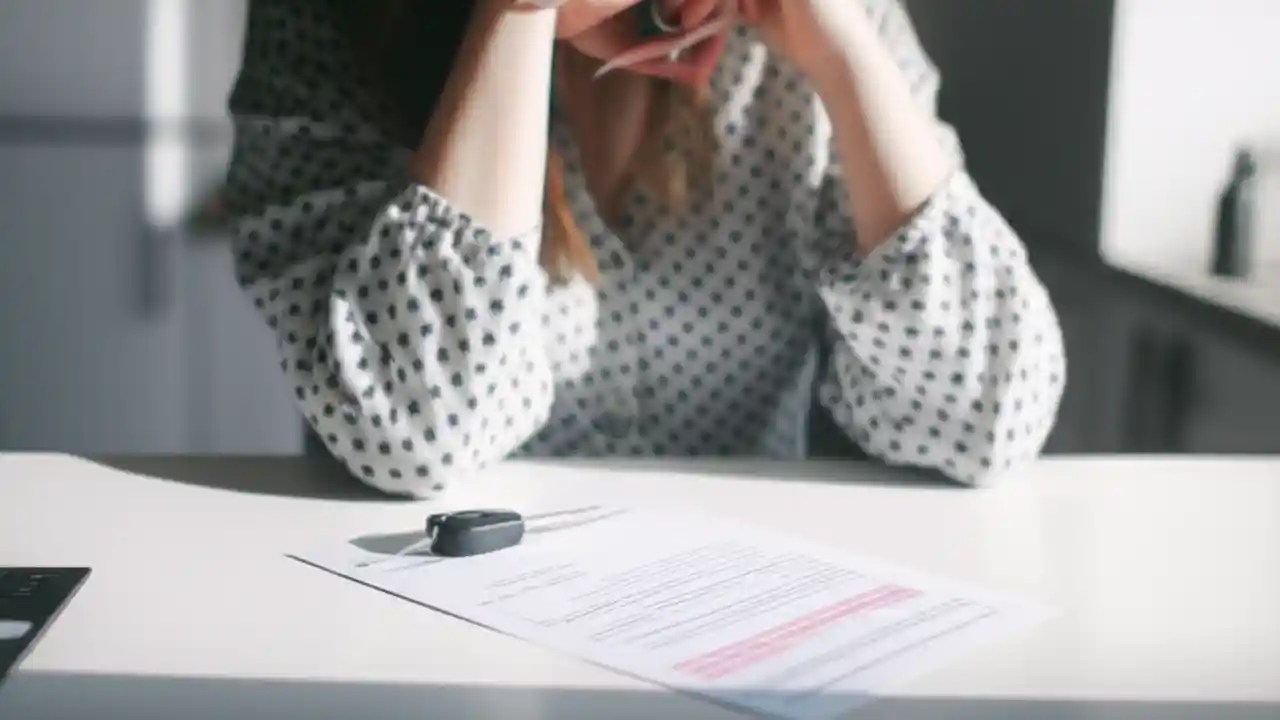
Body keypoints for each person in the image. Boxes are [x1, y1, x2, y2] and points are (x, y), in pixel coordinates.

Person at [223, 0, 1066, 497]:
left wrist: (843, 49)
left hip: (746, 634)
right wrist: (517, 14)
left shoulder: (809, 39)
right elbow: (418, 431)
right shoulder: (330, 24)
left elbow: (989, 416)